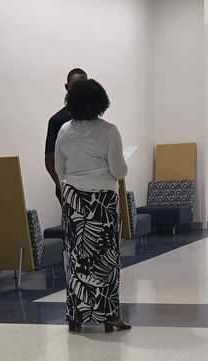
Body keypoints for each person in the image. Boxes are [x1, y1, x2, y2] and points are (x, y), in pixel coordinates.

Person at [55, 78, 130, 333]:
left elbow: (59, 168)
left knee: (76, 258)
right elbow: (118, 170)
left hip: (74, 202)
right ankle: (110, 317)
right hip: (102, 202)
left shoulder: (64, 130)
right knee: (106, 259)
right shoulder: (109, 131)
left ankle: (76, 317)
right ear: (101, 102)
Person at [45, 68, 89, 204]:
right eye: (75, 86)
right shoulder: (57, 120)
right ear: (66, 87)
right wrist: (63, 188)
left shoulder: (92, 119)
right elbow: (49, 160)